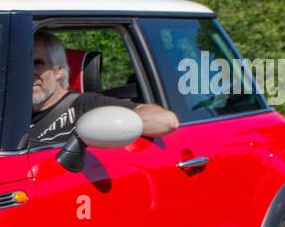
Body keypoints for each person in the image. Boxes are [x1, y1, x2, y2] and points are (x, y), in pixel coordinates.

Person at [28, 30, 177, 145]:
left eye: (38, 63)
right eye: (20, 64)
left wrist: (111, 125)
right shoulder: (12, 110)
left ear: (58, 70)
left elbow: (167, 121)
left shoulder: (85, 104)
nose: (27, 72)